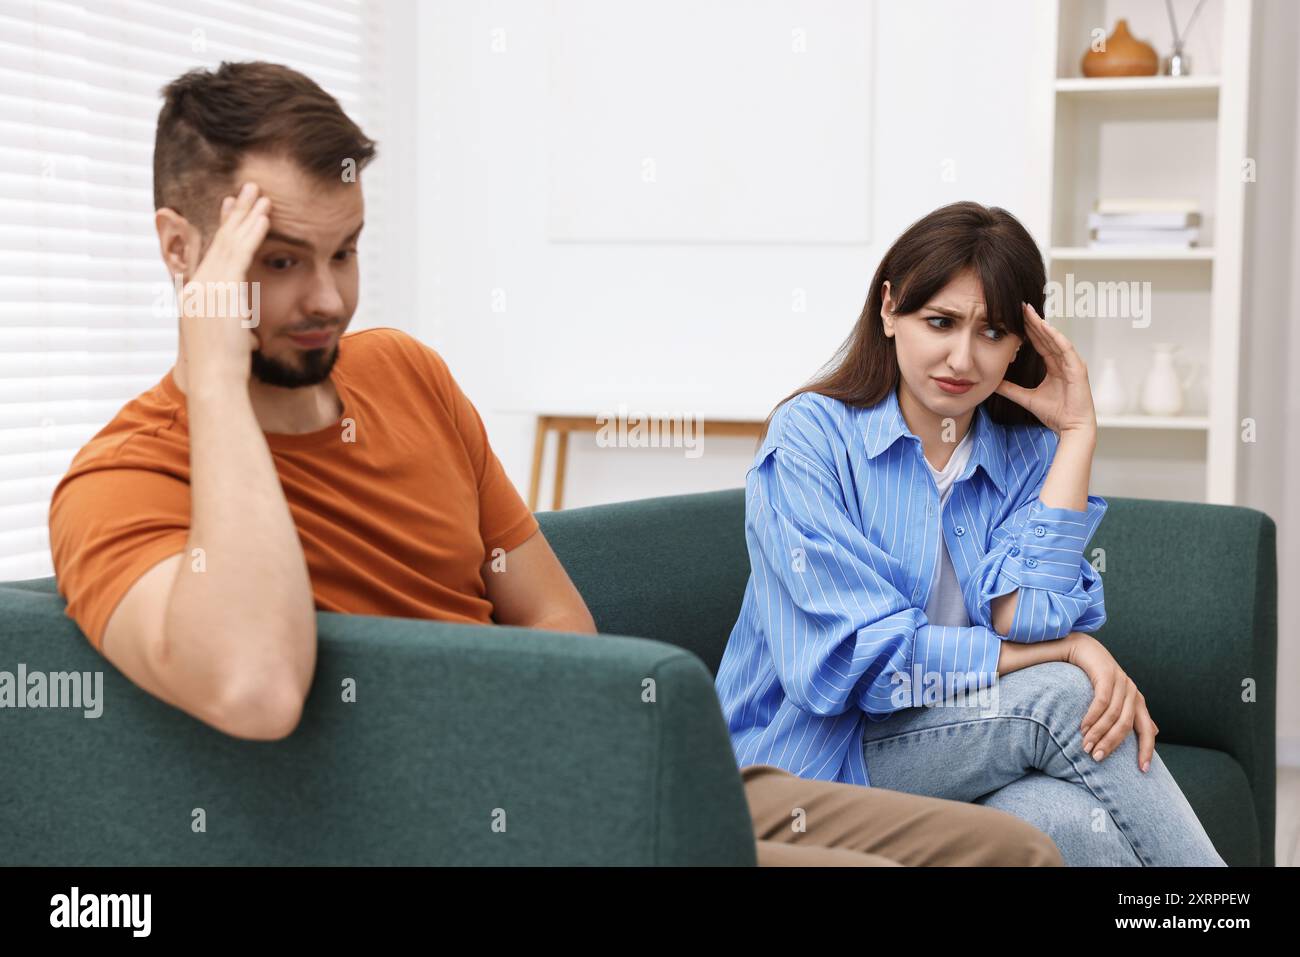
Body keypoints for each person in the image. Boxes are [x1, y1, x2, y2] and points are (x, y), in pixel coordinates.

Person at [48, 62, 1059, 867]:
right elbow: (260, 688)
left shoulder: (404, 373)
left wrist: (586, 775)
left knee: (1014, 852)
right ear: (183, 251)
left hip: (571, 776)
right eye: (277, 261)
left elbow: (557, 623)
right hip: (436, 830)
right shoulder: (124, 482)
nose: (326, 299)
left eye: (345, 252)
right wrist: (216, 378)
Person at [715, 201, 1225, 866]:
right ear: (890, 308)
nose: (962, 357)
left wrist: (1076, 436)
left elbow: (1029, 617)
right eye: (940, 322)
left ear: (1023, 343)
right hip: (813, 760)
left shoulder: (1021, 454)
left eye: (992, 332)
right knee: (1066, 694)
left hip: (946, 741)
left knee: (1064, 822)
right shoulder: (811, 437)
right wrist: (1067, 653)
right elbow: (862, 667)